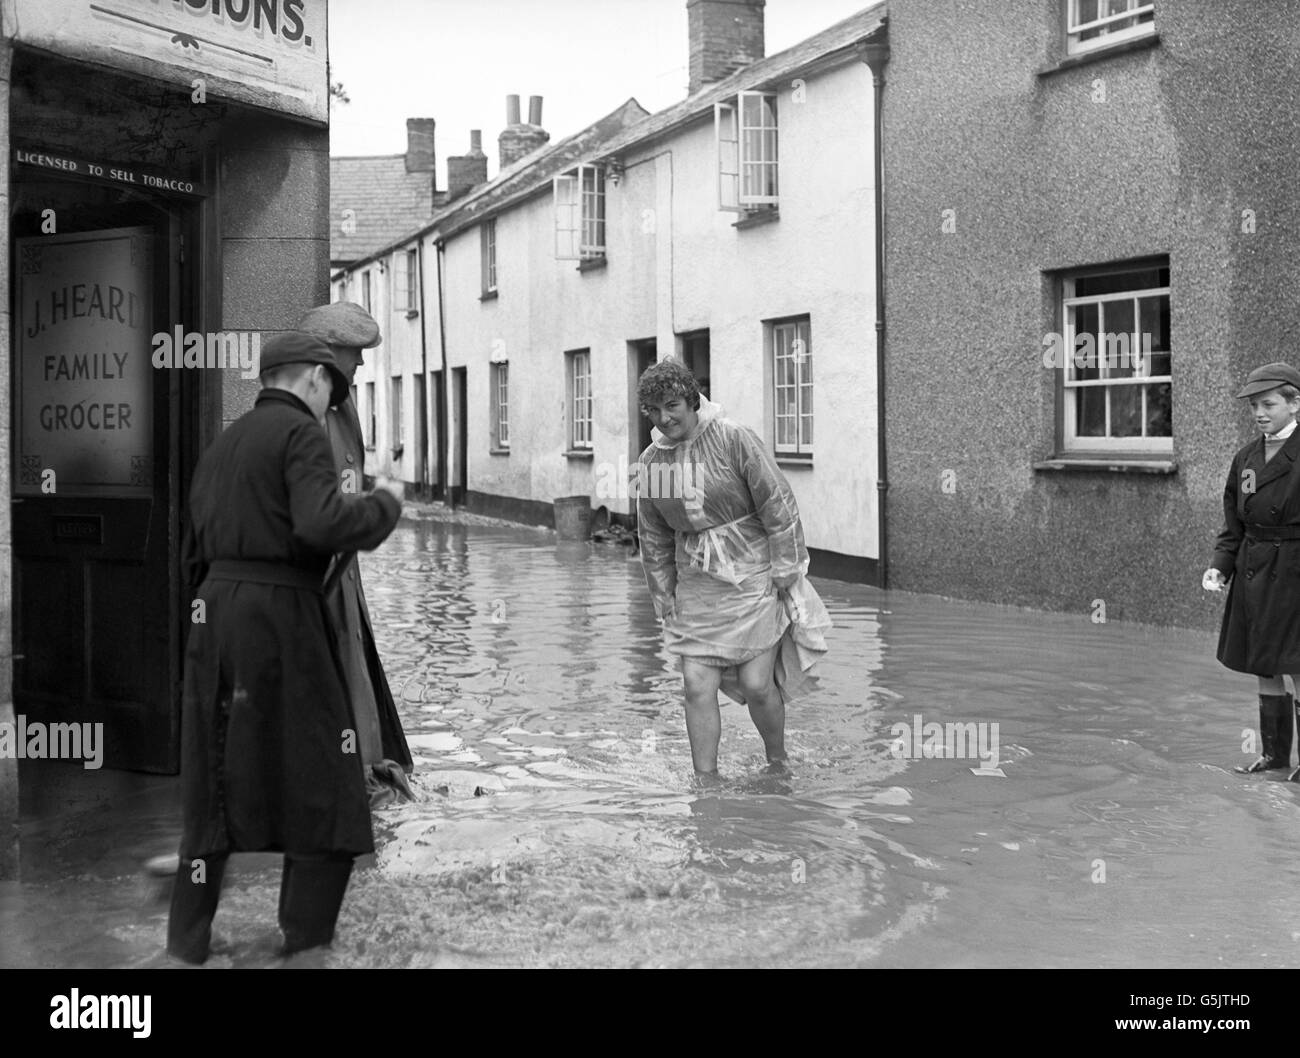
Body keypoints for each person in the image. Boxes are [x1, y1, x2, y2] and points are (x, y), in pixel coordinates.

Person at [166, 331, 404, 964]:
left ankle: (187, 942)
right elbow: (321, 523)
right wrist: (383, 506)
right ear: (316, 380)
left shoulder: (222, 447)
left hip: (213, 620)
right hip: (281, 618)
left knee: (216, 780)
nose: (332, 404)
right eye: (335, 391)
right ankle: (305, 942)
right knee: (325, 776)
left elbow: (191, 555)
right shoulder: (302, 435)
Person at [635, 359, 831, 784]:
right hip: (698, 584)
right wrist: (663, 591)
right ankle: (706, 782)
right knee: (695, 685)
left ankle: (777, 765)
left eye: (671, 405)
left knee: (757, 684)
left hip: (752, 576)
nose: (664, 418)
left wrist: (786, 564)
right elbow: (652, 534)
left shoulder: (733, 439)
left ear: (691, 399)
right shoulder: (653, 462)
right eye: (653, 410)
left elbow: (776, 502)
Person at [297, 301, 414, 807]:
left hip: (344, 570)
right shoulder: (306, 412)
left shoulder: (340, 407)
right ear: (327, 356)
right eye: (354, 354)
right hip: (319, 569)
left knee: (351, 664)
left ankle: (362, 764)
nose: (362, 365)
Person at [1204, 361, 1300, 779]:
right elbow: (1234, 524)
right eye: (1254, 406)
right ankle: (1275, 758)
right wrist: (1220, 566)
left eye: (1269, 404)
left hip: (1295, 571)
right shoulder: (1245, 458)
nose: (1259, 413)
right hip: (1255, 569)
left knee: (1298, 663)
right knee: (1265, 664)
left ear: (1294, 403)